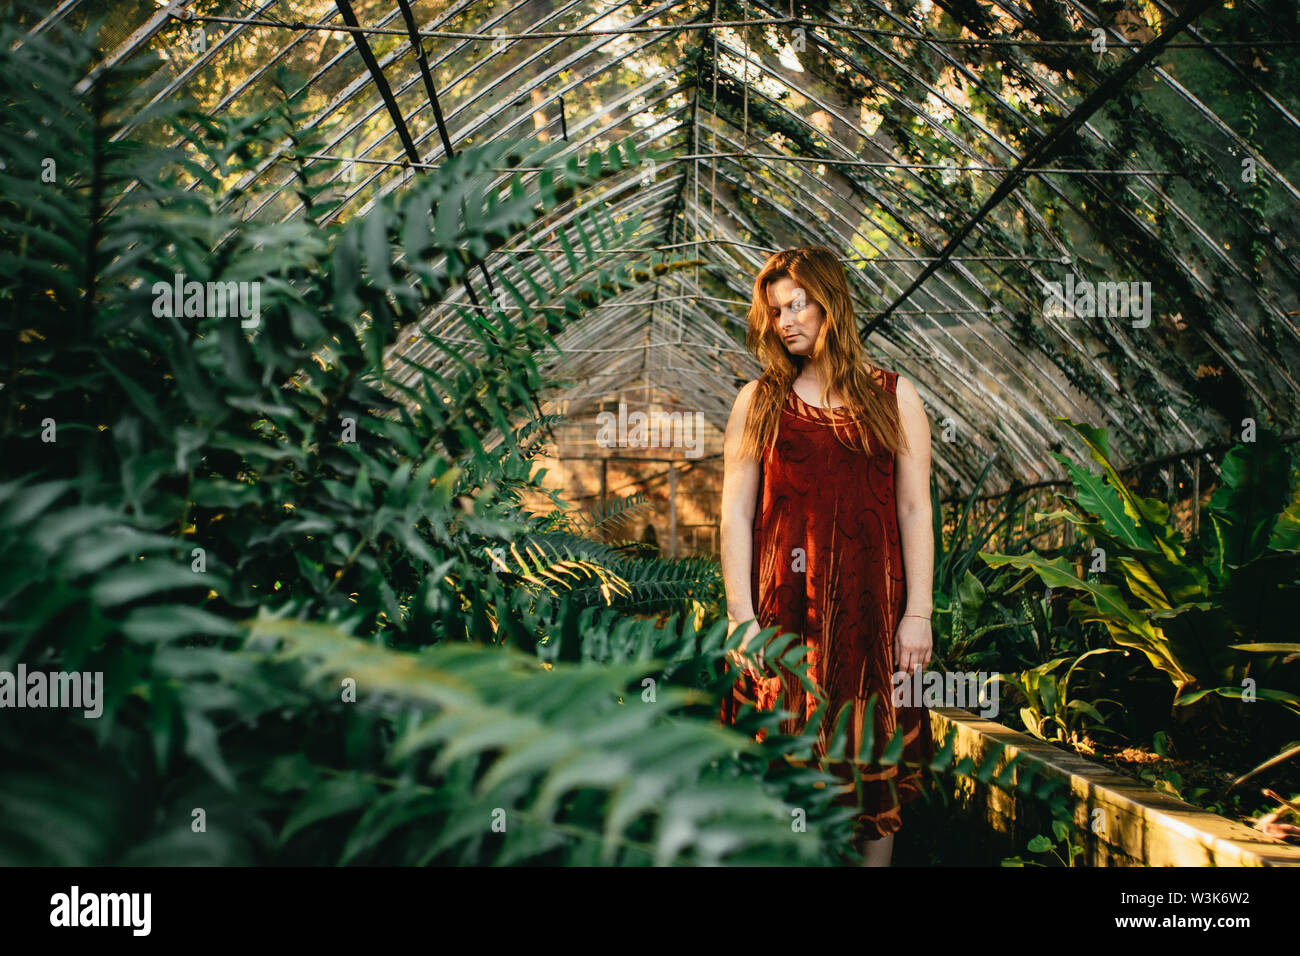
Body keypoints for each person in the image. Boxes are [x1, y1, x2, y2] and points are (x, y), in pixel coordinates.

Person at [718, 245, 935, 866]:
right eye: (774, 311)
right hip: (783, 617)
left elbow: (915, 509)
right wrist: (739, 616)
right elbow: (734, 514)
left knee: (874, 753)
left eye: (797, 305)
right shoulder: (759, 401)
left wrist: (918, 613)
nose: (784, 321)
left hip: (873, 620)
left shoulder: (896, 396)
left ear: (831, 303)